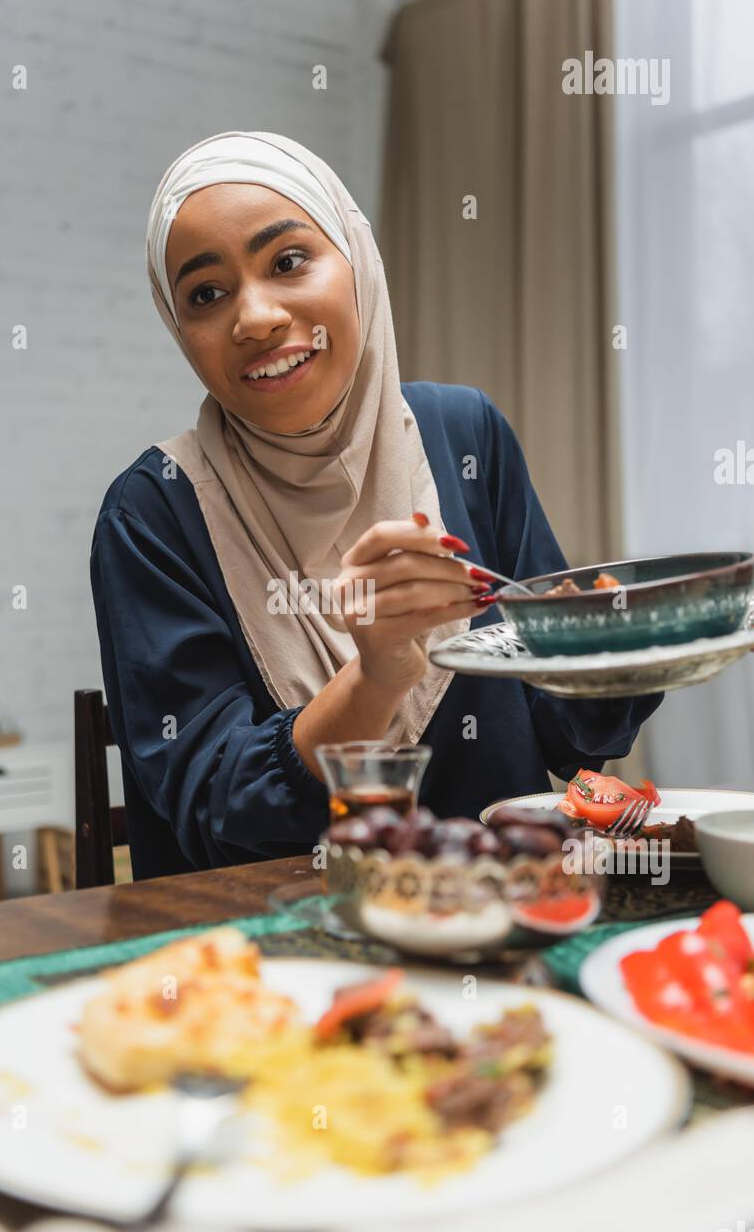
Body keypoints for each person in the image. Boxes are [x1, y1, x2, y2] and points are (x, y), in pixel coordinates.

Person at [90, 130, 662, 879]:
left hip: (503, 915)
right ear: (180, 328)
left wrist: (639, 638)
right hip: (271, 953)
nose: (254, 316)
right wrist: (376, 676)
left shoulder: (464, 435)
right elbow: (216, 813)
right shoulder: (154, 512)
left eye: (288, 261)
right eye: (206, 293)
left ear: (356, 260)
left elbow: (571, 734)